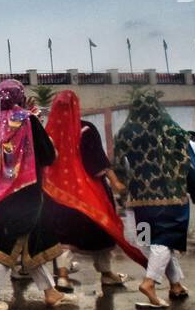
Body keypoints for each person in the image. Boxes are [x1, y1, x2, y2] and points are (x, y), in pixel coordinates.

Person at [0, 79, 71, 310]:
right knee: (13, 238)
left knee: (30, 238)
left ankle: (50, 291)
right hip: (25, 190)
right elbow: (47, 155)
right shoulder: (27, 119)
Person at [41, 91, 146, 291]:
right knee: (102, 230)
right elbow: (96, 162)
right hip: (87, 194)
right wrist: (115, 181)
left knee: (64, 237)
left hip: (56, 196)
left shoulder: (47, 133)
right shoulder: (86, 129)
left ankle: (62, 277)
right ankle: (106, 273)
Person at [114, 91, 195, 309]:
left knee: (148, 241)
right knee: (164, 241)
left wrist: (123, 192)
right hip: (170, 200)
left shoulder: (126, 132)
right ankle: (149, 283)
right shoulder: (173, 131)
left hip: (140, 203)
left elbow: (117, 167)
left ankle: (175, 285)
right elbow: (188, 165)